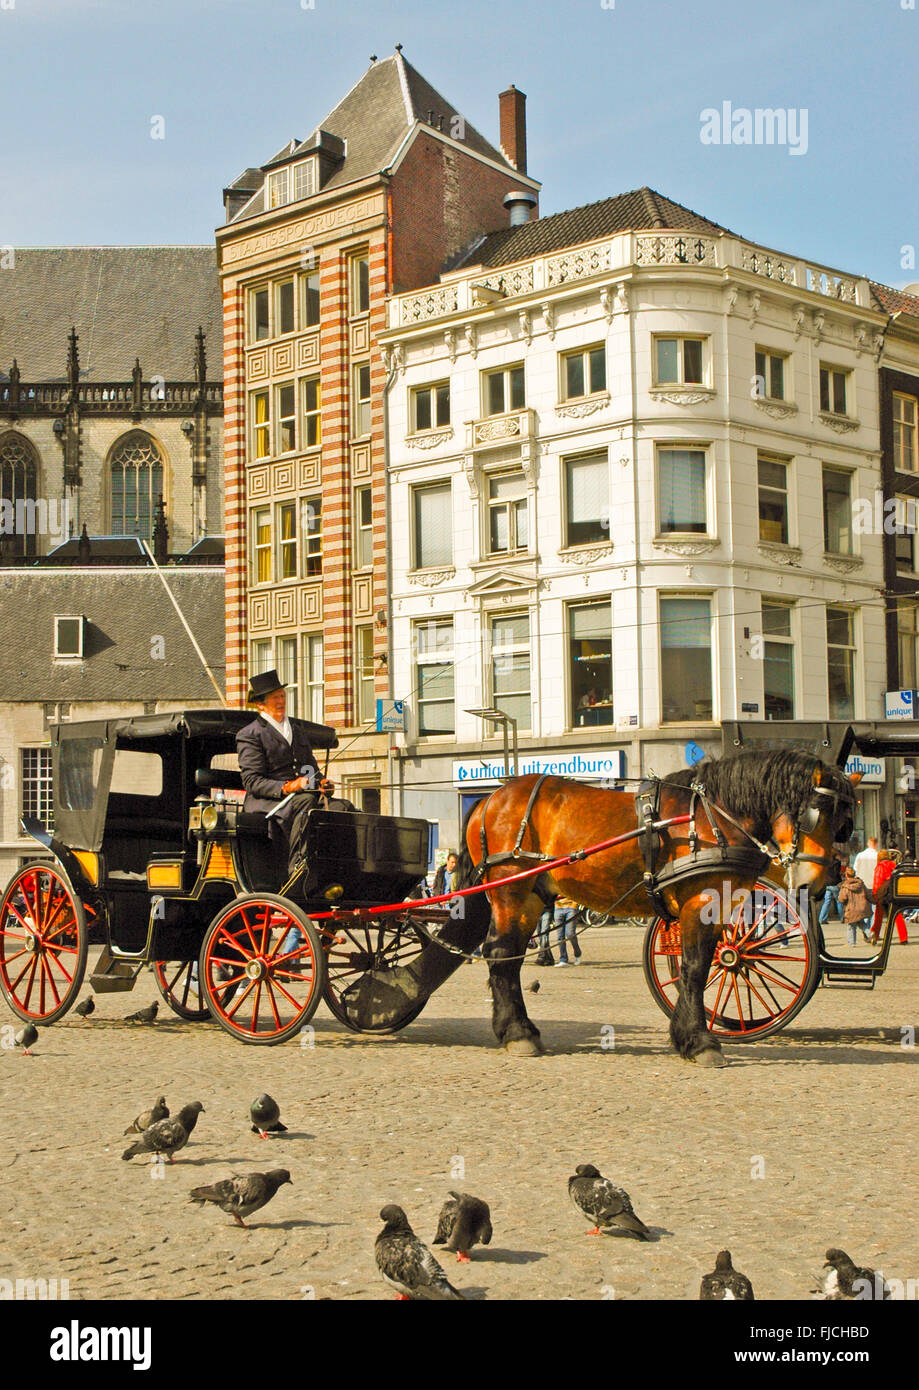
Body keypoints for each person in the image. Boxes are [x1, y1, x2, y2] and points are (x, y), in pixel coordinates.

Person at [236, 668, 353, 879]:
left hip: (300, 797)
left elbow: (309, 768)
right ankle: (298, 868)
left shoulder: (296, 730)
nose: (281, 701)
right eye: (275, 698)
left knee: (342, 807)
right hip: (268, 803)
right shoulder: (250, 734)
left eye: (282, 696)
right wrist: (287, 787)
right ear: (261, 704)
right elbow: (252, 781)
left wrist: (322, 782)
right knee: (306, 803)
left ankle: (340, 867)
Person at [869, 851, 909, 946]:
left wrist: (875, 894)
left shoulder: (880, 866)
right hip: (893, 893)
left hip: (883, 894)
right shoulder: (893, 865)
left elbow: (877, 881)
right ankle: (903, 938)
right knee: (898, 916)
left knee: (878, 916)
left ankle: (875, 933)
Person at [837, 867, 873, 946]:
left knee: (851, 926)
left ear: (846, 875)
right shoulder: (861, 884)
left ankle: (851, 943)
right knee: (862, 923)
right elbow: (868, 894)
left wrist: (840, 899)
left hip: (851, 909)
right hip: (862, 908)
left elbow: (842, 898)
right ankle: (870, 934)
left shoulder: (845, 886)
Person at [818, 850, 848, 926]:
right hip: (835, 883)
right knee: (839, 901)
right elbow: (836, 872)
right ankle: (842, 918)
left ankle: (822, 918)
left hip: (827, 884)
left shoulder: (825, 862)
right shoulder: (837, 862)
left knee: (827, 901)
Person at [553, 894, 582, 967]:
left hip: (571, 906)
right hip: (558, 907)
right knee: (560, 936)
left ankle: (577, 953)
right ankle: (563, 959)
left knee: (570, 934)